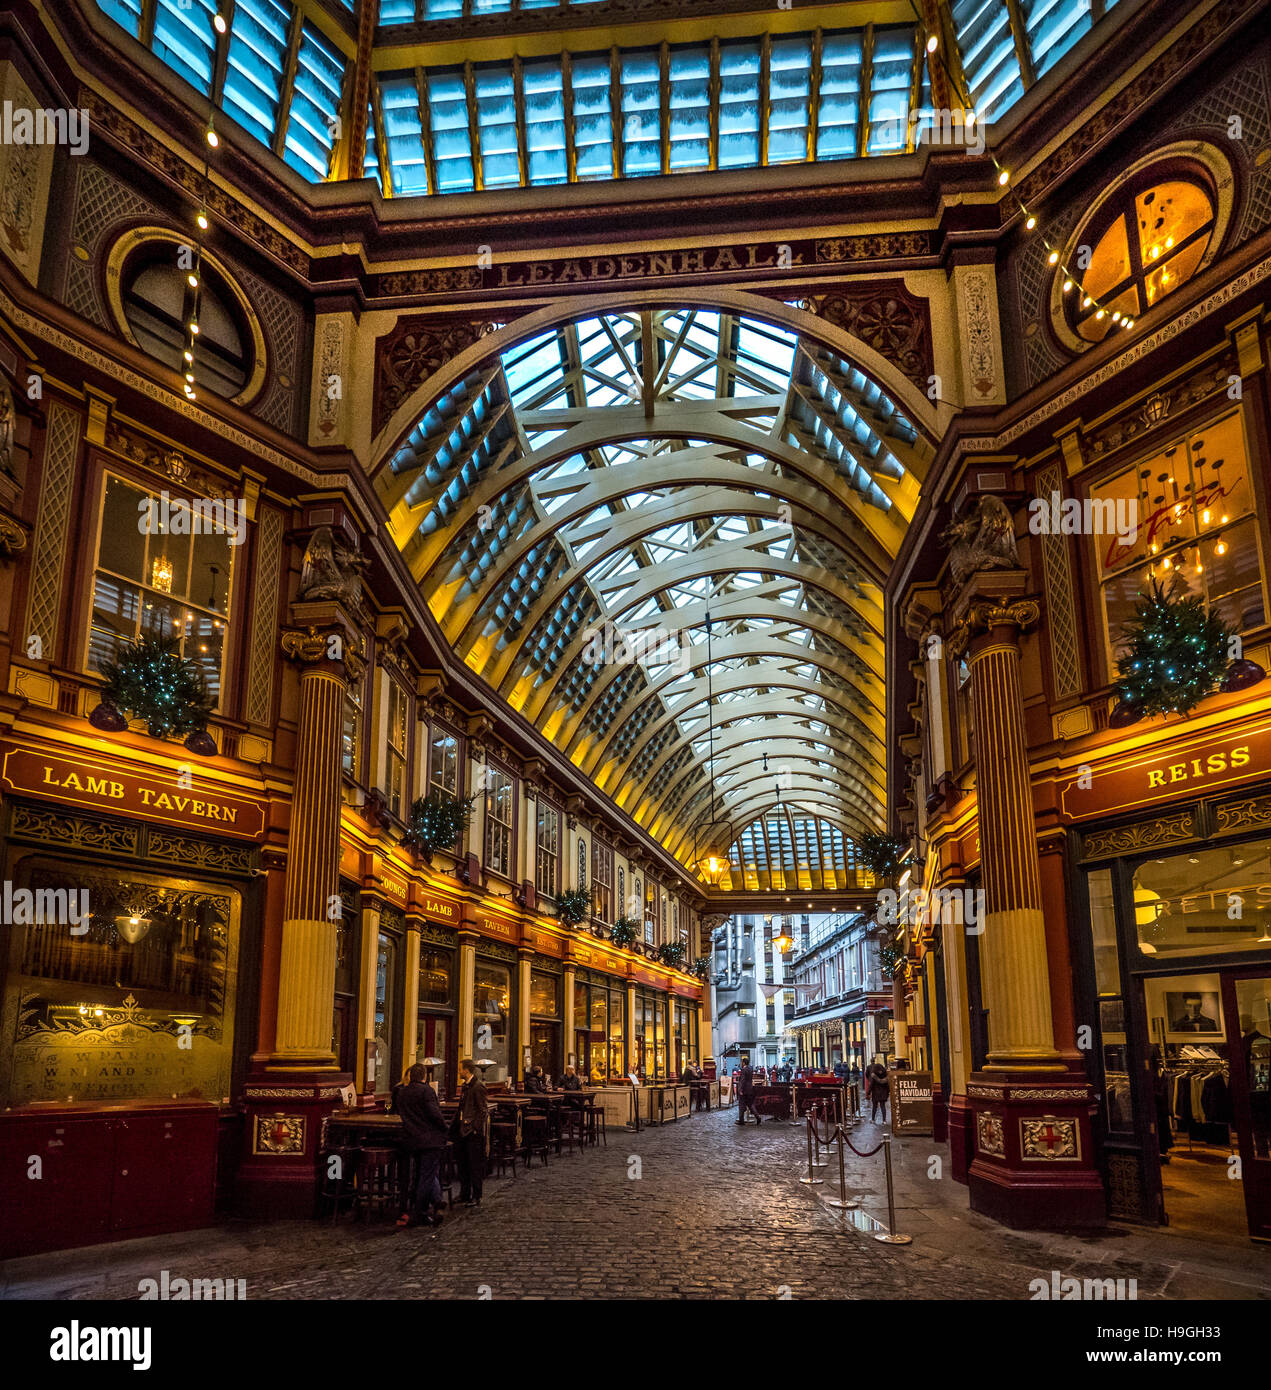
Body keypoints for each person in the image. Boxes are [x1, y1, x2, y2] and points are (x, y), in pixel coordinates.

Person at [392, 1063, 448, 1228]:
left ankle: (437, 1202)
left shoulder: (402, 1093)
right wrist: (445, 1128)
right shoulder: (426, 1091)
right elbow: (434, 1114)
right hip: (429, 1140)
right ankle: (420, 1213)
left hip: (412, 1140)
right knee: (426, 1176)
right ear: (424, 1076)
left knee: (425, 1174)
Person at [453, 1058, 489, 1207]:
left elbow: (482, 1110)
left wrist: (474, 1128)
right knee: (463, 1164)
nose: (459, 1071)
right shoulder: (466, 1086)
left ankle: (476, 1195)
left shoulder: (477, 1087)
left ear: (466, 1070)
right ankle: (465, 1193)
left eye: (460, 1069)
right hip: (463, 1130)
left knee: (474, 1165)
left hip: (472, 1133)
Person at [735, 1055, 761, 1125]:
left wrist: (740, 1089)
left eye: (742, 1062)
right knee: (750, 1104)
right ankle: (758, 1117)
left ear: (743, 1063)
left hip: (744, 1090)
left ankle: (741, 1120)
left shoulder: (744, 1069)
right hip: (750, 1089)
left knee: (741, 1105)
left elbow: (742, 1080)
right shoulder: (750, 1068)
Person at [865, 1055, 890, 1124]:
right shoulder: (885, 1076)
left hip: (875, 1092)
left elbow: (871, 1084)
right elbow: (887, 1085)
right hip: (883, 1092)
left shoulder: (873, 1076)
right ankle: (884, 1120)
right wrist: (888, 1092)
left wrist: (868, 1092)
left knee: (874, 1107)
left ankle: (873, 1119)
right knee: (883, 1106)